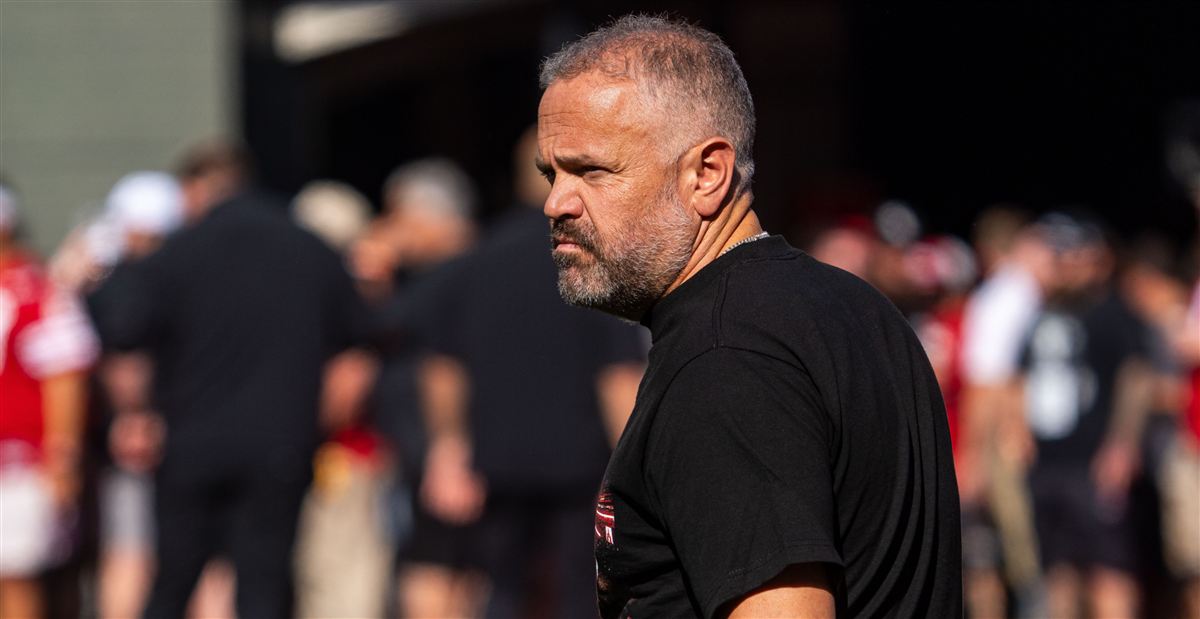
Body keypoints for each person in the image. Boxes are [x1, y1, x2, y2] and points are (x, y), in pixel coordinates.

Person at [535, 15, 961, 618]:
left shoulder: (725, 360)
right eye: (551, 174)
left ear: (707, 174)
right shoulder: (848, 306)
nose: (556, 203)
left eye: (591, 171)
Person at [86, 142, 368, 619]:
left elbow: (122, 332)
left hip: (190, 444)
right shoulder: (308, 247)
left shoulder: (178, 251)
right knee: (264, 584)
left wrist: (135, 413)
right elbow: (357, 344)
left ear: (195, 190)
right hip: (280, 442)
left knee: (173, 581)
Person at [417, 129, 645, 619]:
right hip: (578, 465)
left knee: (501, 593)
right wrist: (633, 473)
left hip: (495, 461)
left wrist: (449, 446)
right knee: (580, 596)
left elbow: (442, 365)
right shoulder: (588, 264)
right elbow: (617, 376)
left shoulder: (474, 262)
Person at [0, 183, 99, 619]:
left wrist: (62, 456)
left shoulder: (36, 292)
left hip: (19, 463)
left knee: (16, 574)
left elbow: (65, 375)